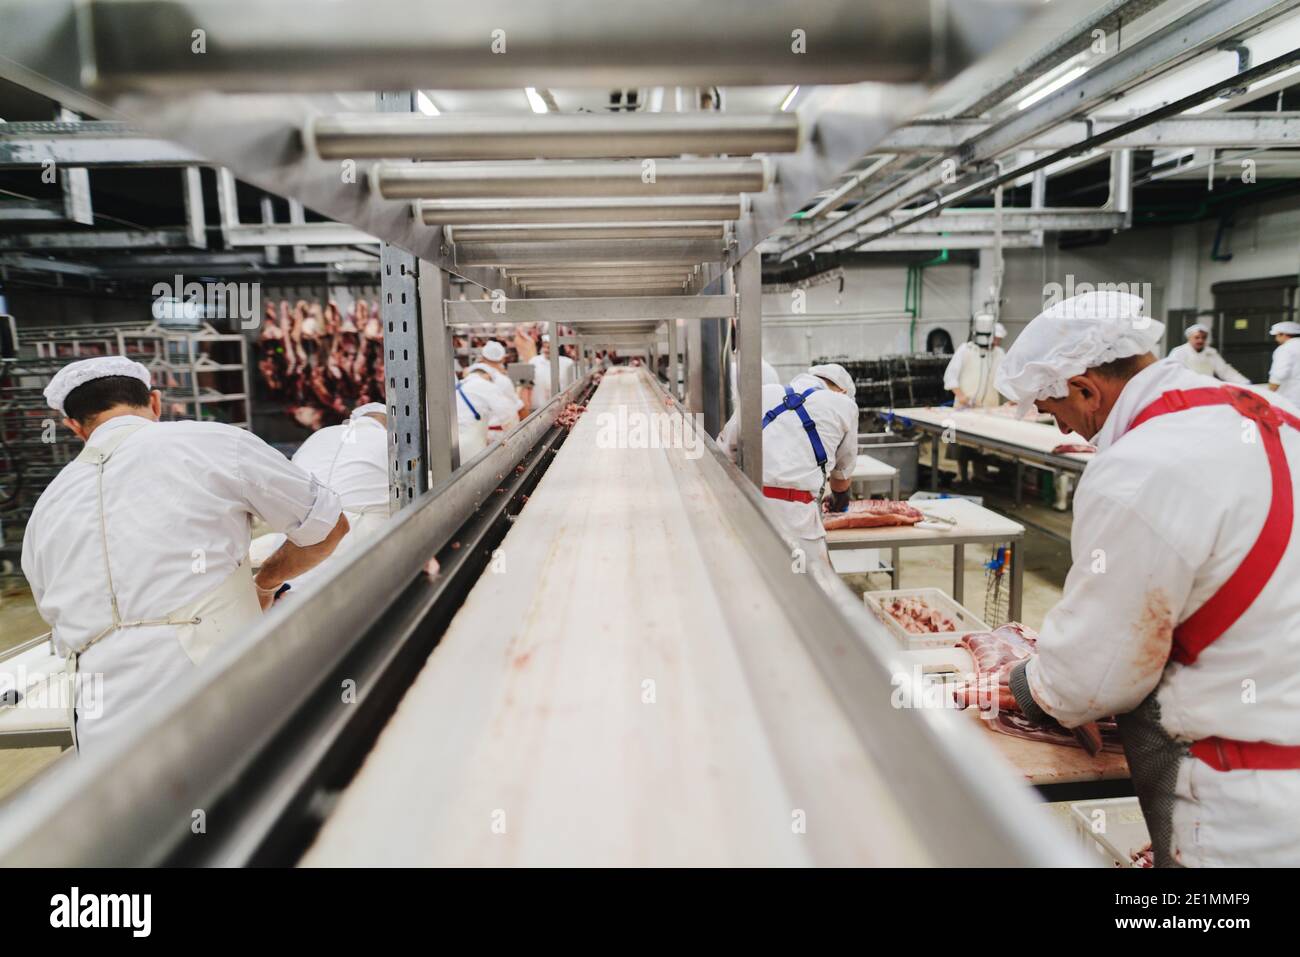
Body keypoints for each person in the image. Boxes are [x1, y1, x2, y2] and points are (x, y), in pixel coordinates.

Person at [994, 290, 1300, 867]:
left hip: (1250, 808)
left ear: (1086, 388)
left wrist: (1023, 689)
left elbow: (1094, 679)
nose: (1067, 430)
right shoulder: (1278, 418)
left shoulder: (1138, 469)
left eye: (1056, 411)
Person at [21, 357, 349, 751]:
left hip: (101, 737)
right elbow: (328, 526)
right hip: (217, 703)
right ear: (155, 403)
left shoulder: (46, 508)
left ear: (74, 426)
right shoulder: (213, 442)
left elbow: (58, 621)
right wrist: (264, 585)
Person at [719, 363, 857, 564]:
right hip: (798, 522)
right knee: (805, 588)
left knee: (754, 582)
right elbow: (841, 477)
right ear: (843, 391)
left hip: (750, 508)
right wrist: (840, 499)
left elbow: (724, 449)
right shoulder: (845, 406)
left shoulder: (763, 392)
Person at [457, 365, 518, 460]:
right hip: (469, 443)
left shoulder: (459, 385)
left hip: (452, 440)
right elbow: (508, 413)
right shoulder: (485, 385)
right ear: (487, 375)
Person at [943, 317, 1007, 409]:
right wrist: (961, 396)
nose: (996, 342)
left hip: (990, 407)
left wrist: (1015, 399)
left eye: (999, 339)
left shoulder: (999, 353)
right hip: (964, 407)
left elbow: (1005, 378)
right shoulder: (966, 349)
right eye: (994, 339)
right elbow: (950, 376)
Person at [466, 340, 523, 437]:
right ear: (503, 359)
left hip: (473, 434)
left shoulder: (468, 376)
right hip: (496, 435)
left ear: (483, 357)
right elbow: (518, 408)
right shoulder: (503, 380)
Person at [1167, 323, 1248, 384]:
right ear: (1189, 338)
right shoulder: (1178, 352)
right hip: (1186, 389)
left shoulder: (1211, 353)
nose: (1200, 340)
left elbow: (1225, 371)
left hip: (1207, 388)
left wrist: (1244, 382)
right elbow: (1171, 373)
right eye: (1197, 337)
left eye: (1203, 337)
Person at [529, 335, 577, 406]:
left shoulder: (567, 362)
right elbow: (528, 384)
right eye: (544, 347)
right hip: (539, 404)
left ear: (556, 348)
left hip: (562, 403)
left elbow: (573, 384)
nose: (546, 350)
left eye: (549, 347)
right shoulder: (534, 361)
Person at [1267, 320, 1300, 407]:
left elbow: (1279, 375)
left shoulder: (1285, 349)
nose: (1276, 339)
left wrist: (1268, 396)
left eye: (1276, 335)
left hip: (1292, 398)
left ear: (1283, 334)